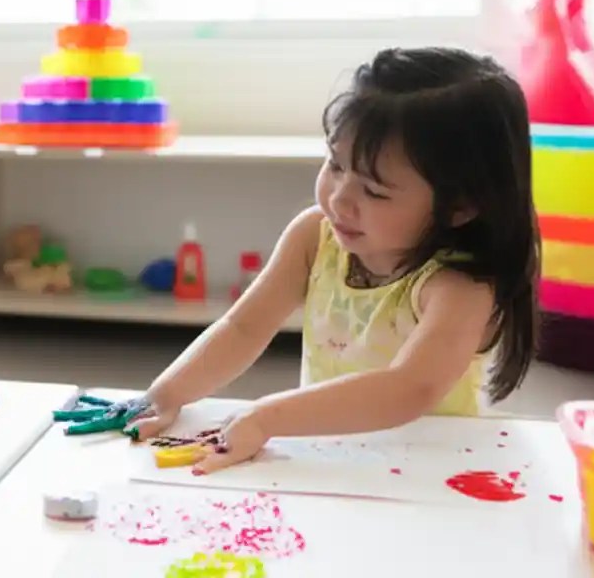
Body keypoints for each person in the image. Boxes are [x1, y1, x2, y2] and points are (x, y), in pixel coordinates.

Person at [127, 47, 540, 474]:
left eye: (375, 191)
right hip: (330, 457)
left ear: (460, 206)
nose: (340, 199)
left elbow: (408, 388)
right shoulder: (314, 236)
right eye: (336, 165)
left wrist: (266, 416)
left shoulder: (458, 286)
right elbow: (244, 327)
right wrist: (166, 394)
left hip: (433, 470)